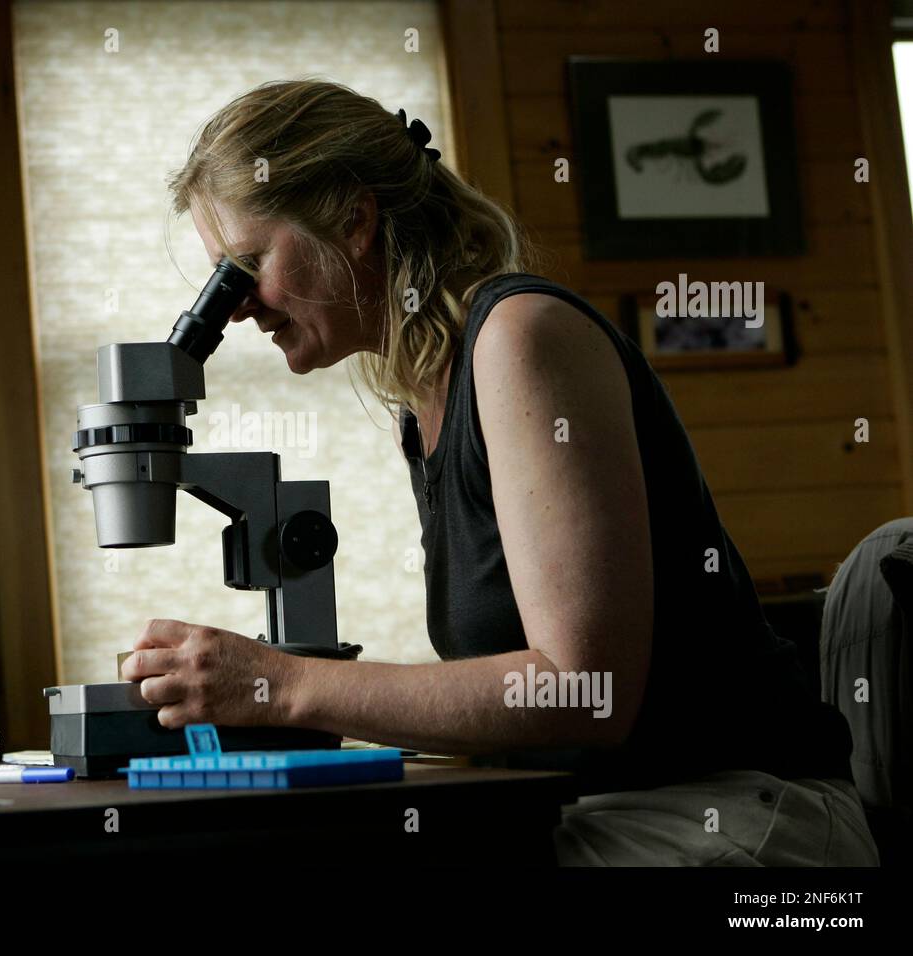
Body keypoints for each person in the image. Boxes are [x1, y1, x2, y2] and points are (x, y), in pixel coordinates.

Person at [120, 78, 878, 865]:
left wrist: (282, 684)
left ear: (354, 220)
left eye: (248, 265)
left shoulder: (521, 337)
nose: (236, 307)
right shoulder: (424, 402)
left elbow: (582, 690)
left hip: (739, 815)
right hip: (603, 808)